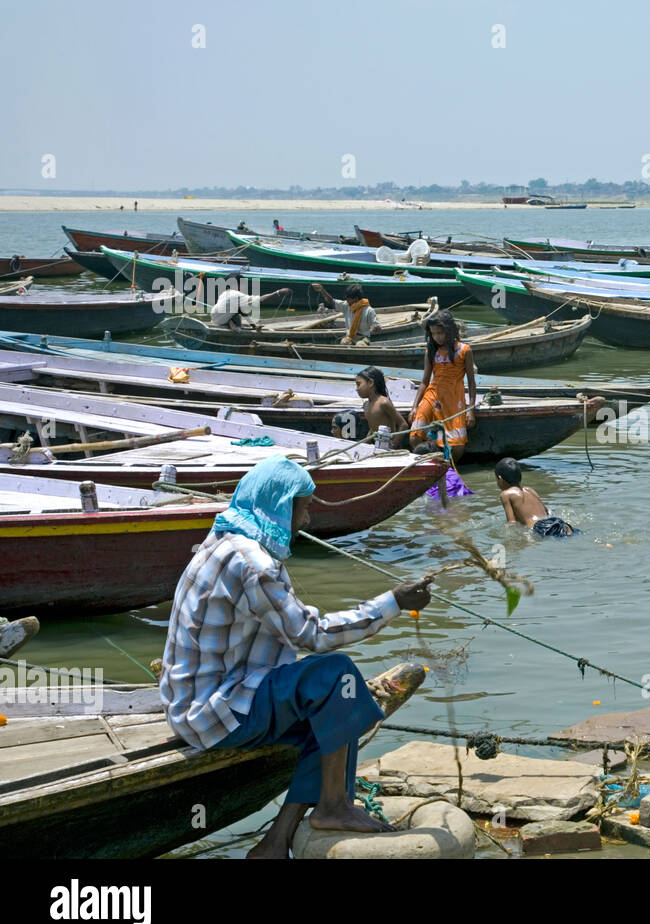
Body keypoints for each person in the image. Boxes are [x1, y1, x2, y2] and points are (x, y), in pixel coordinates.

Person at [159, 455, 433, 858]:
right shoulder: (253, 564)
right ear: (280, 505)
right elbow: (312, 634)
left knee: (335, 712)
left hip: (194, 702)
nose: (304, 520)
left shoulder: (224, 539)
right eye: (301, 508)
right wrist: (392, 602)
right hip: (211, 712)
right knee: (338, 676)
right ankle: (334, 804)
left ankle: (275, 841)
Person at [409, 311, 477, 462]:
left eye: (440, 333)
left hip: (454, 396)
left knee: (457, 446)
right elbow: (424, 381)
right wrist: (415, 406)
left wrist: (471, 410)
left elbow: (471, 382)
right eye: (433, 334)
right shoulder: (430, 351)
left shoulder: (465, 350)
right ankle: (428, 466)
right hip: (432, 394)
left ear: (449, 330)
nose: (437, 337)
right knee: (415, 436)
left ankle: (447, 469)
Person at [496, 457, 577, 537]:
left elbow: (512, 522)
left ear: (500, 479)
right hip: (556, 522)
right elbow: (547, 511)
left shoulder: (505, 494)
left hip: (540, 528)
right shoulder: (530, 490)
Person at [353, 366, 406, 446]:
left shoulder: (383, 403)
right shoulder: (366, 405)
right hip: (376, 445)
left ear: (370, 383)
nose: (356, 389)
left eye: (358, 384)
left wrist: (394, 446)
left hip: (387, 446)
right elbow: (373, 428)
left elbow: (403, 424)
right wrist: (364, 444)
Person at [310, 282, 377, 345]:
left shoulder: (369, 310)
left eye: (349, 299)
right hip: (350, 337)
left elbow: (376, 325)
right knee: (343, 343)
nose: (347, 300)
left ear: (356, 299)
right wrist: (322, 290)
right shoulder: (346, 305)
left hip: (363, 338)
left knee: (360, 345)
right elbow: (331, 301)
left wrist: (375, 327)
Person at [208, 286, 292, 328]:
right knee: (237, 320)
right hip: (222, 321)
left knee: (234, 313)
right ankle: (237, 329)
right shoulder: (238, 296)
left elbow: (241, 311)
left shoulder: (226, 293)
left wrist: (253, 325)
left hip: (213, 316)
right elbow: (261, 300)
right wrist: (278, 292)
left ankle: (233, 325)